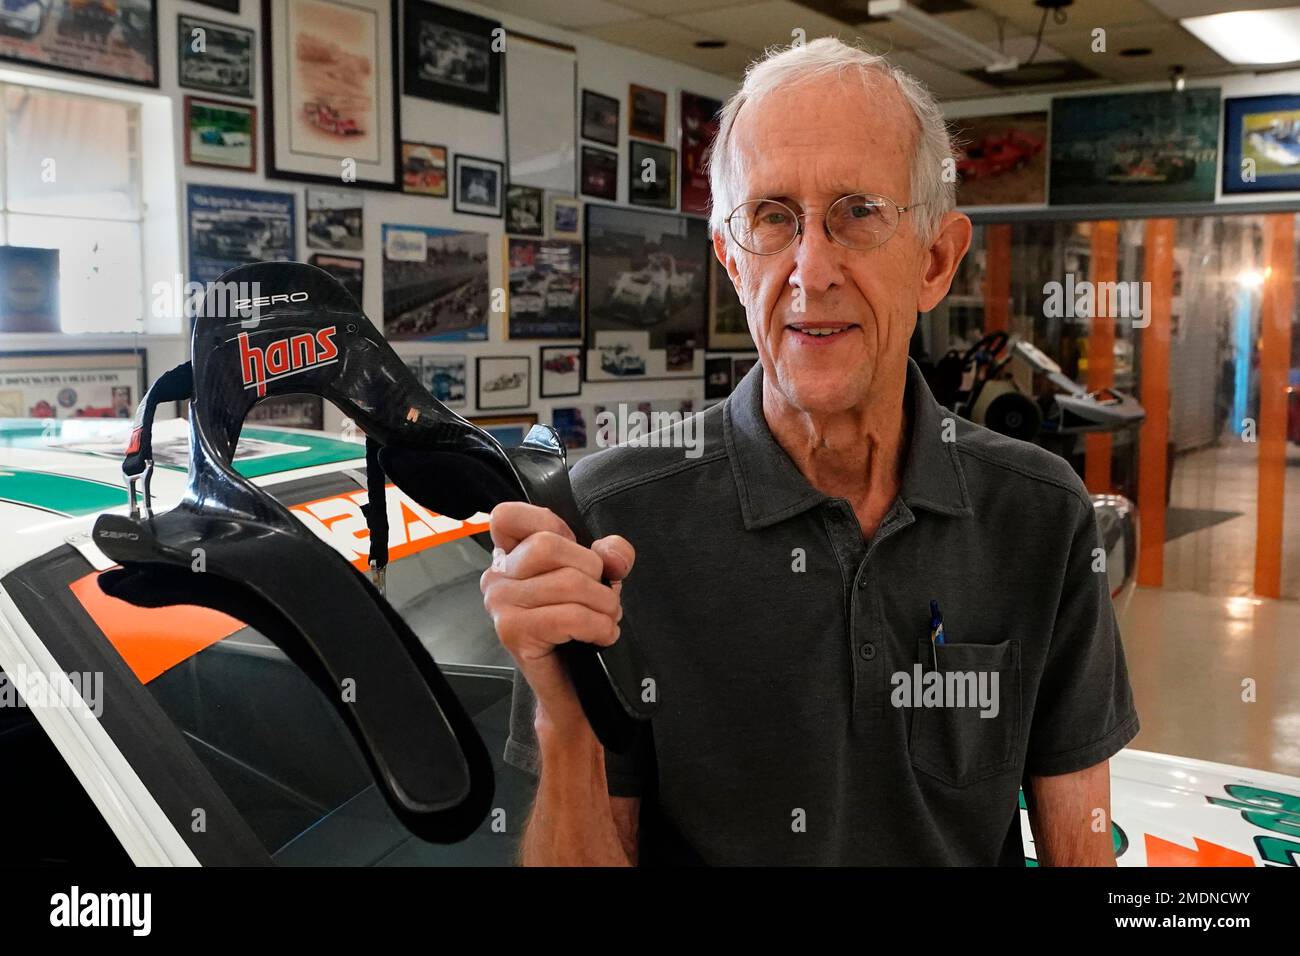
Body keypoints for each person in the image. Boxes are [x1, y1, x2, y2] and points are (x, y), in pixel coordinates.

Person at [480, 38, 1138, 866]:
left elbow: (1081, 849)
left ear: (935, 260)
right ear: (730, 258)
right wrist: (562, 716)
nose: (810, 269)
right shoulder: (605, 520)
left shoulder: (1039, 513)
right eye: (771, 218)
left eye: (859, 211)